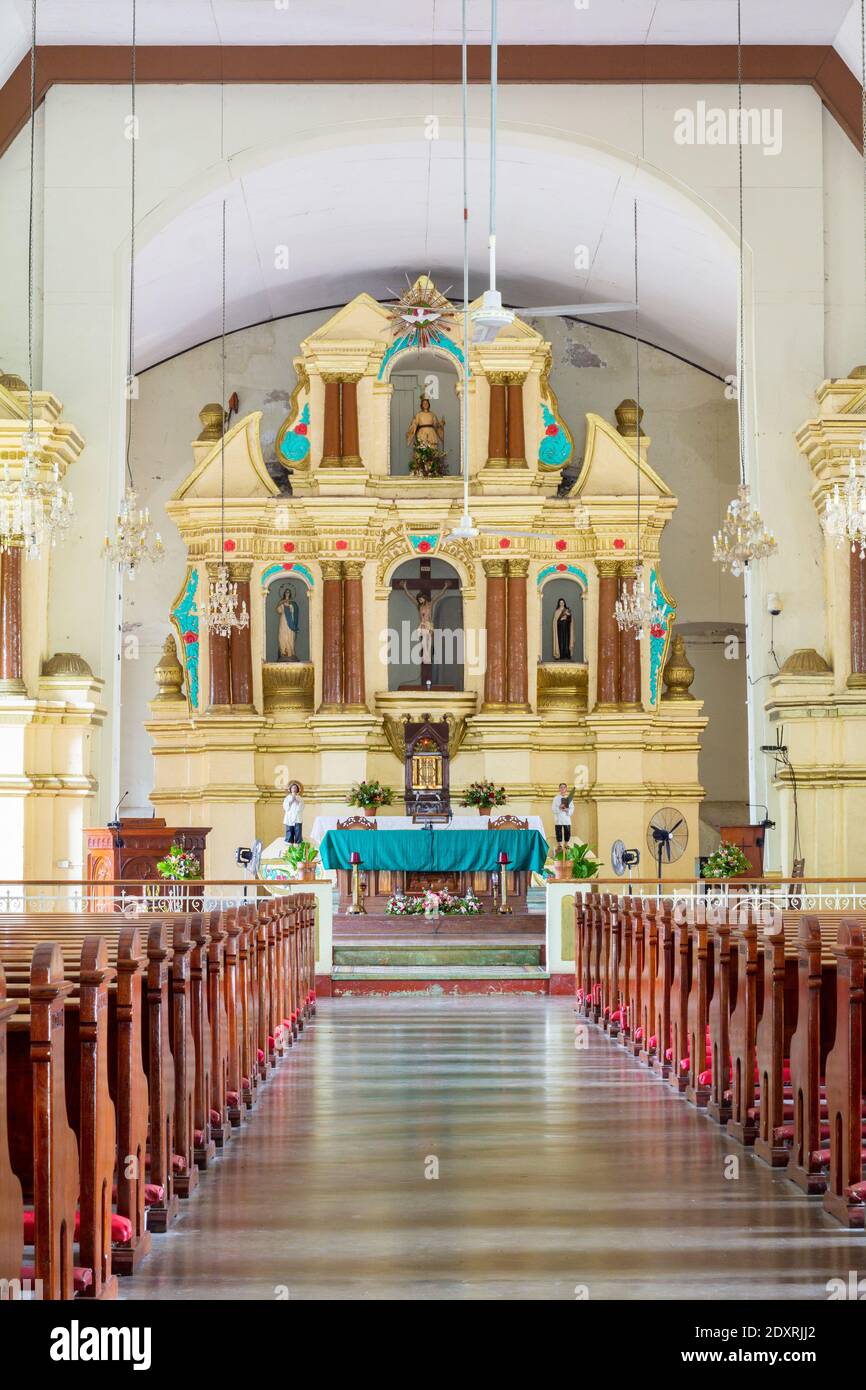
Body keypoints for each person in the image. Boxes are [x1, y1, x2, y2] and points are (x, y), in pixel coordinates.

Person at [277, 585, 299, 661]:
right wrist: (282, 605)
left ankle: (290, 653)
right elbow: (279, 610)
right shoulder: (281, 602)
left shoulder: (293, 603)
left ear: (290, 594)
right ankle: (283, 652)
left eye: (288, 592)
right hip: (283, 620)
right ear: (284, 593)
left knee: (290, 636)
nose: (287, 593)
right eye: (286, 592)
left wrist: (290, 607)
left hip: (290, 622)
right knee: (282, 635)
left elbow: (295, 611)